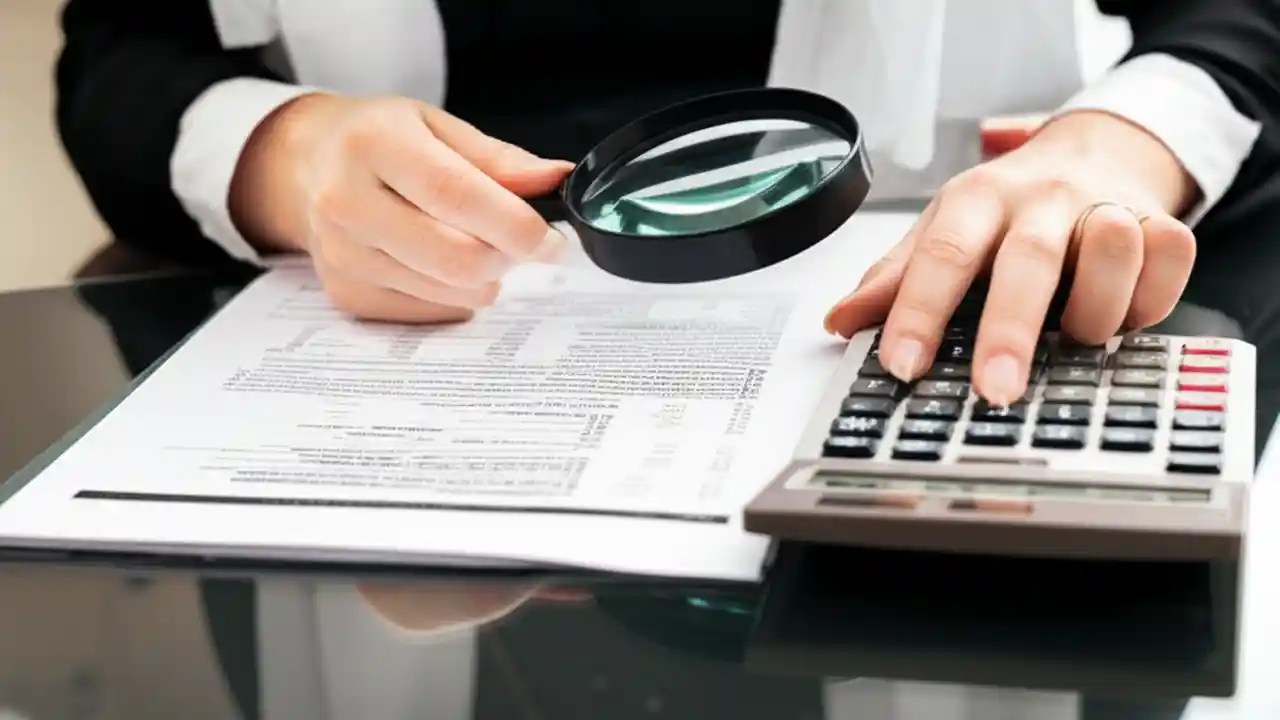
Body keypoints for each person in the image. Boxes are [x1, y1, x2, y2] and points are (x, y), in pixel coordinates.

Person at [55, 1, 1279, 405]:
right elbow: (121, 52)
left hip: (938, 267)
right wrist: (291, 154)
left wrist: (1114, 149)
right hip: (413, 332)